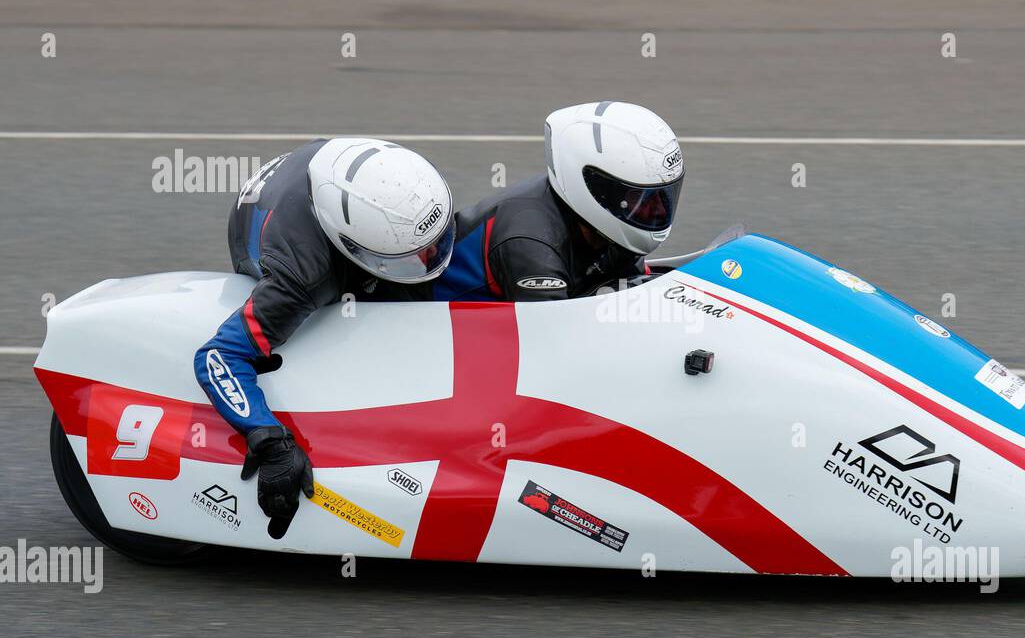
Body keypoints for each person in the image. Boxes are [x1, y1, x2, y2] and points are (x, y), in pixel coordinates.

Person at [195, 138, 455, 537]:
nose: (431, 259)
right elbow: (217, 358)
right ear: (353, 250)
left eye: (436, 242)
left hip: (320, 172)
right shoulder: (301, 279)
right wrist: (269, 442)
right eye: (415, 255)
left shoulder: (409, 182)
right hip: (266, 221)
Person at [432, 101, 684, 302]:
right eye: (641, 198)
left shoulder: (609, 230)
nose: (659, 210)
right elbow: (554, 338)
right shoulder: (530, 243)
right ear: (597, 188)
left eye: (663, 196)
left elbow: (630, 287)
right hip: (438, 330)